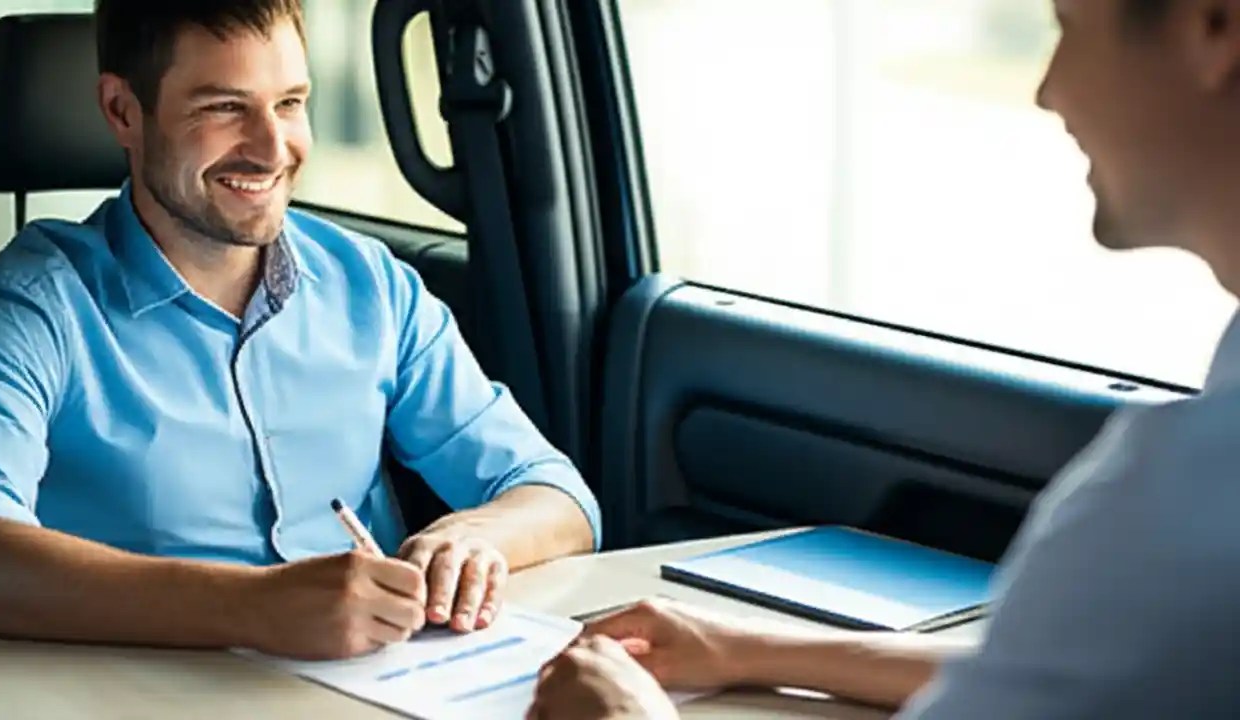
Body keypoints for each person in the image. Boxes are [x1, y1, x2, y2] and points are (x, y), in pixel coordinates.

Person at [529, 0, 1240, 717]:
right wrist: (746, 647)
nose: (1048, 90)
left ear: (1214, 26)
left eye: (1070, 27)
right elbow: (1069, 671)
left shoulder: (1192, 493)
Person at [0, 0, 600, 662]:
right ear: (124, 111)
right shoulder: (26, 310)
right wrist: (251, 606)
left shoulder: (372, 287)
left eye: (290, 103)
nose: (273, 148)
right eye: (223, 108)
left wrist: (476, 539)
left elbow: (556, 495)